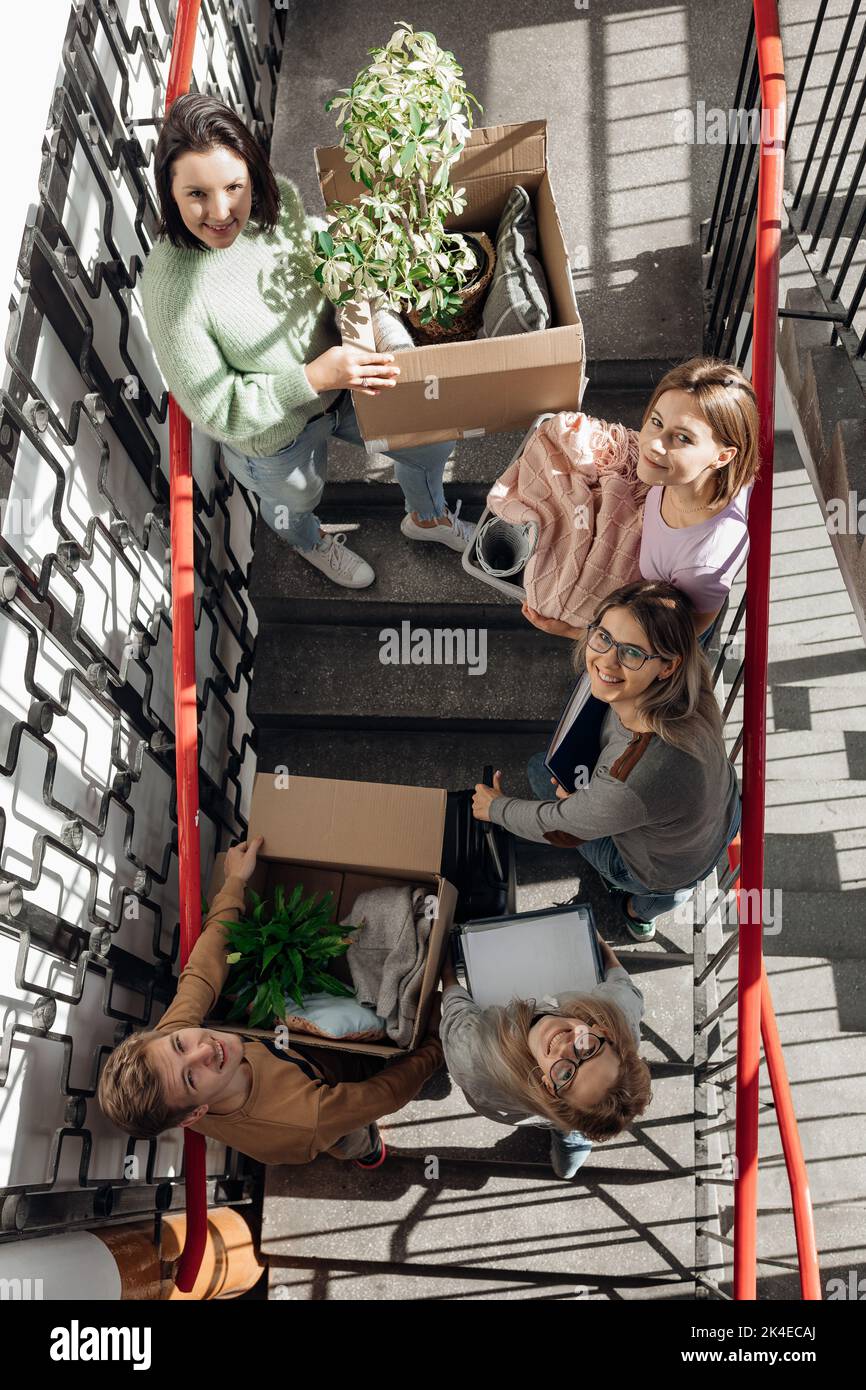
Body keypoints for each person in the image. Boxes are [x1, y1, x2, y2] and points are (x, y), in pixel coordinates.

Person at [139, 92, 474, 590]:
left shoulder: (275, 205)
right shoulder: (172, 290)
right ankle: (308, 540)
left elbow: (331, 264)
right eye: (197, 194)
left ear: (252, 174)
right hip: (275, 433)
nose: (221, 211)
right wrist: (314, 377)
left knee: (431, 440)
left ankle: (428, 518)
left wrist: (382, 330)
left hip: (348, 379)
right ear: (169, 193)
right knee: (297, 499)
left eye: (234, 186)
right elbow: (218, 409)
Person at [97, 837, 444, 1168]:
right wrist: (433, 1047)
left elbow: (202, 971)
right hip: (332, 1102)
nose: (203, 1050)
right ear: (196, 1115)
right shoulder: (299, 1120)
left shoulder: (168, 1049)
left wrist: (235, 881)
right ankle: (367, 1151)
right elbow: (384, 1094)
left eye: (179, 1043)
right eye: (191, 1078)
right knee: (348, 1134)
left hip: (301, 1060)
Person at [472, 580, 742, 941]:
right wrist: (571, 631)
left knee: (540, 771)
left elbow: (559, 828)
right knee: (671, 885)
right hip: (720, 820)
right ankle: (644, 914)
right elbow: (626, 657)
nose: (607, 661)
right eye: (603, 638)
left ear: (666, 666)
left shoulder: (634, 776)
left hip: (653, 867)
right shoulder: (691, 685)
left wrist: (495, 808)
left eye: (631, 653)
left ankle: (636, 906)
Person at [523, 357, 759, 648]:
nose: (653, 444)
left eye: (682, 438)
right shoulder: (682, 474)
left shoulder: (701, 566)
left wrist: (572, 632)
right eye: (656, 422)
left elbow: (666, 644)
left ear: (722, 457)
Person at [439, 933, 651, 1179]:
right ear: (604, 1031)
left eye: (566, 1074)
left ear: (549, 1087)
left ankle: (570, 1141)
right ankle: (569, 1158)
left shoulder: (474, 1057)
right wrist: (596, 938)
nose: (566, 1048)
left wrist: (446, 970)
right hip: (560, 1110)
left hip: (514, 1105)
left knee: (567, 1122)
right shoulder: (620, 1007)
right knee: (571, 1127)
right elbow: (618, 977)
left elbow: (456, 1010)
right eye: (588, 1049)